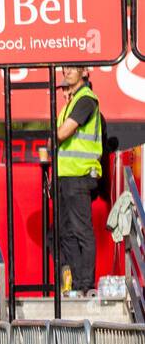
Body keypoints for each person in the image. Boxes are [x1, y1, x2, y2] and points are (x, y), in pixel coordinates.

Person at [54, 66, 103, 295]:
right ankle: (76, 284)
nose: (67, 72)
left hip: (80, 174)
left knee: (81, 230)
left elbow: (63, 133)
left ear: (84, 72)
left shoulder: (86, 99)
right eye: (65, 69)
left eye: (72, 69)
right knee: (66, 232)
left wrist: (49, 139)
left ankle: (86, 285)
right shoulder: (70, 104)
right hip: (66, 175)